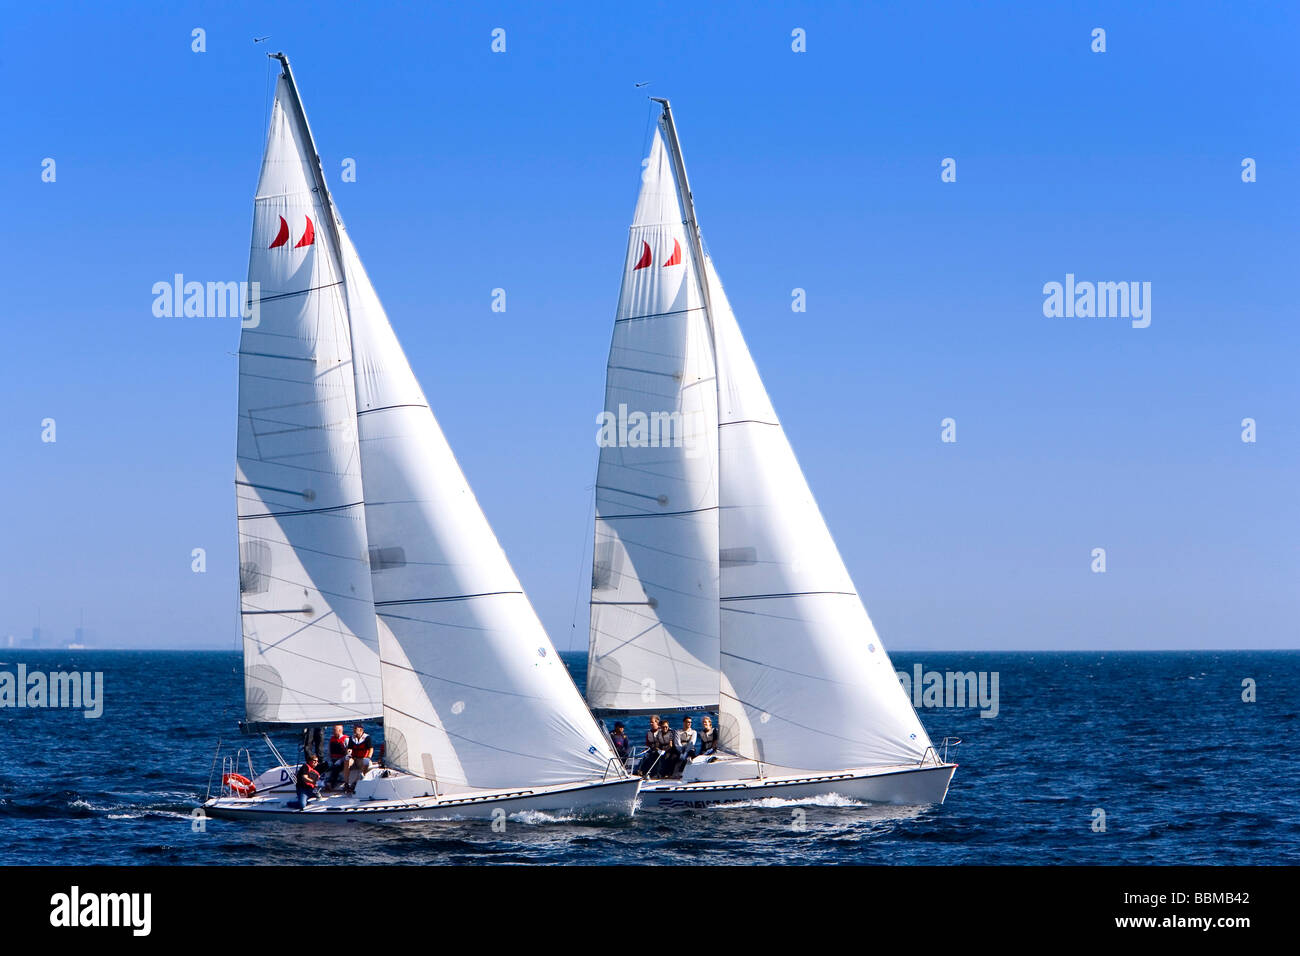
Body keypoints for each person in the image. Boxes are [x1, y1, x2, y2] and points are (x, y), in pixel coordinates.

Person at [343, 724, 374, 795]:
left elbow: (371, 749)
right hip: (354, 759)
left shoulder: (367, 738)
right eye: (354, 728)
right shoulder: (352, 738)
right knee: (347, 761)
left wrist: (368, 757)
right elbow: (349, 748)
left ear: (361, 730)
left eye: (355, 729)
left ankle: (356, 783)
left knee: (366, 763)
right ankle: (346, 783)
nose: (354, 730)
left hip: (362, 759)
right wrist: (348, 754)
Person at [324, 724, 350, 789]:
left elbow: (348, 754)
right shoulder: (332, 739)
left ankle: (331, 784)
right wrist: (329, 761)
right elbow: (328, 752)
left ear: (340, 730)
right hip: (333, 760)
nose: (333, 731)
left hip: (342, 761)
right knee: (322, 766)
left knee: (336, 768)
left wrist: (340, 761)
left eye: (334, 730)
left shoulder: (346, 739)